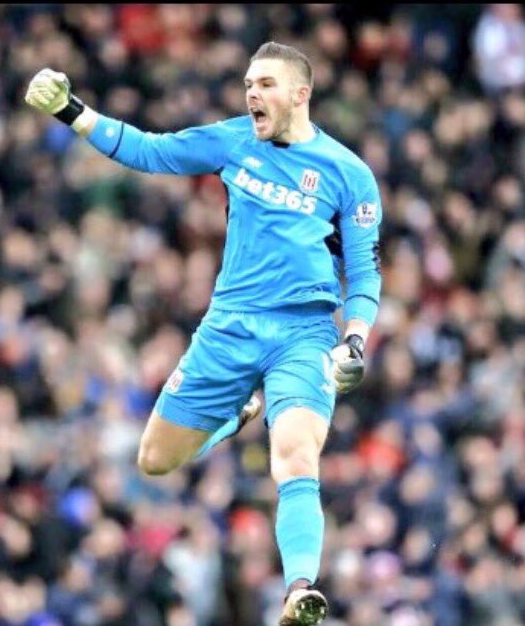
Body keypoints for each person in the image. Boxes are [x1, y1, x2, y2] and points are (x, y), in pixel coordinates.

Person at [25, 41, 382, 625]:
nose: (252, 93)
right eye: (248, 84)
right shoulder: (234, 141)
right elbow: (150, 151)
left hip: (305, 333)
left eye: (265, 84)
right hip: (229, 328)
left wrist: (355, 338)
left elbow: (363, 271)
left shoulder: (349, 174)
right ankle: (239, 414)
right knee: (154, 459)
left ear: (301, 94)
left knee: (296, 455)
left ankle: (299, 591)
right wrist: (71, 110)